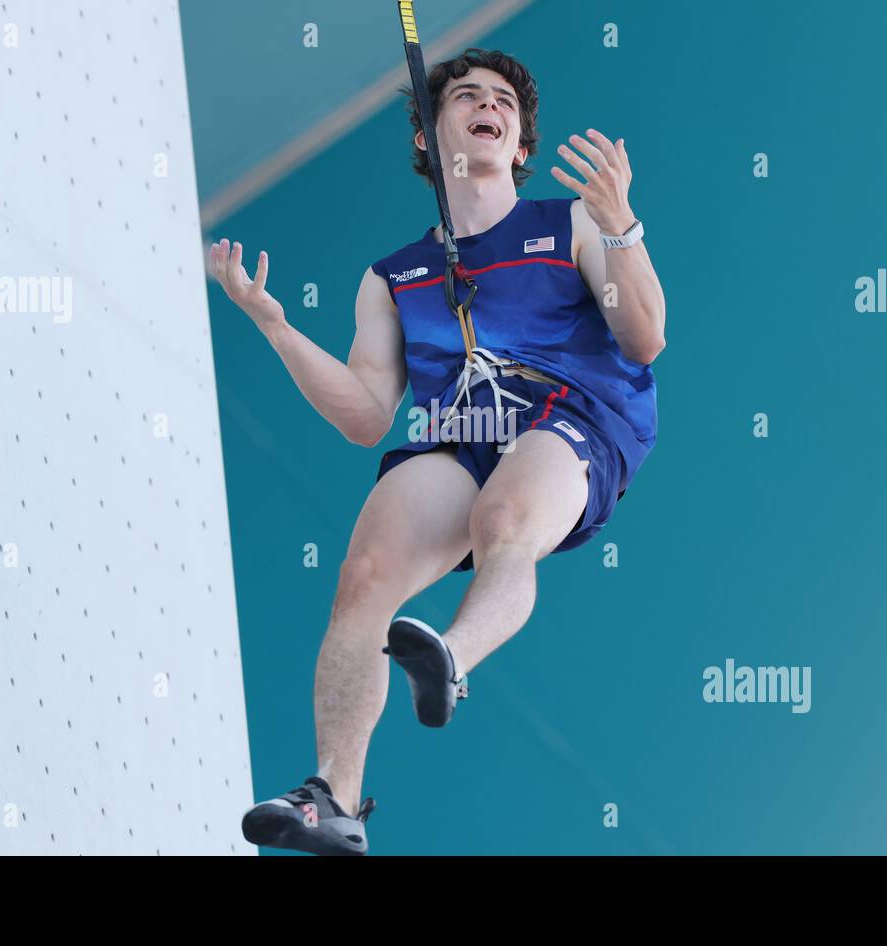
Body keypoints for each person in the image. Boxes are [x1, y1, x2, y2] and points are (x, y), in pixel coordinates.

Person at [210, 48, 666, 856]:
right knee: (365, 577)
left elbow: (645, 334)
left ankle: (452, 656)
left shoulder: (570, 222)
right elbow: (364, 413)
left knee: (509, 514)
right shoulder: (393, 278)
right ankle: (334, 798)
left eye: (504, 102)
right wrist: (277, 328)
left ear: (521, 145)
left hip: (578, 415)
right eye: (466, 96)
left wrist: (622, 224)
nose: (488, 105)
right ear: (430, 133)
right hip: (464, 434)